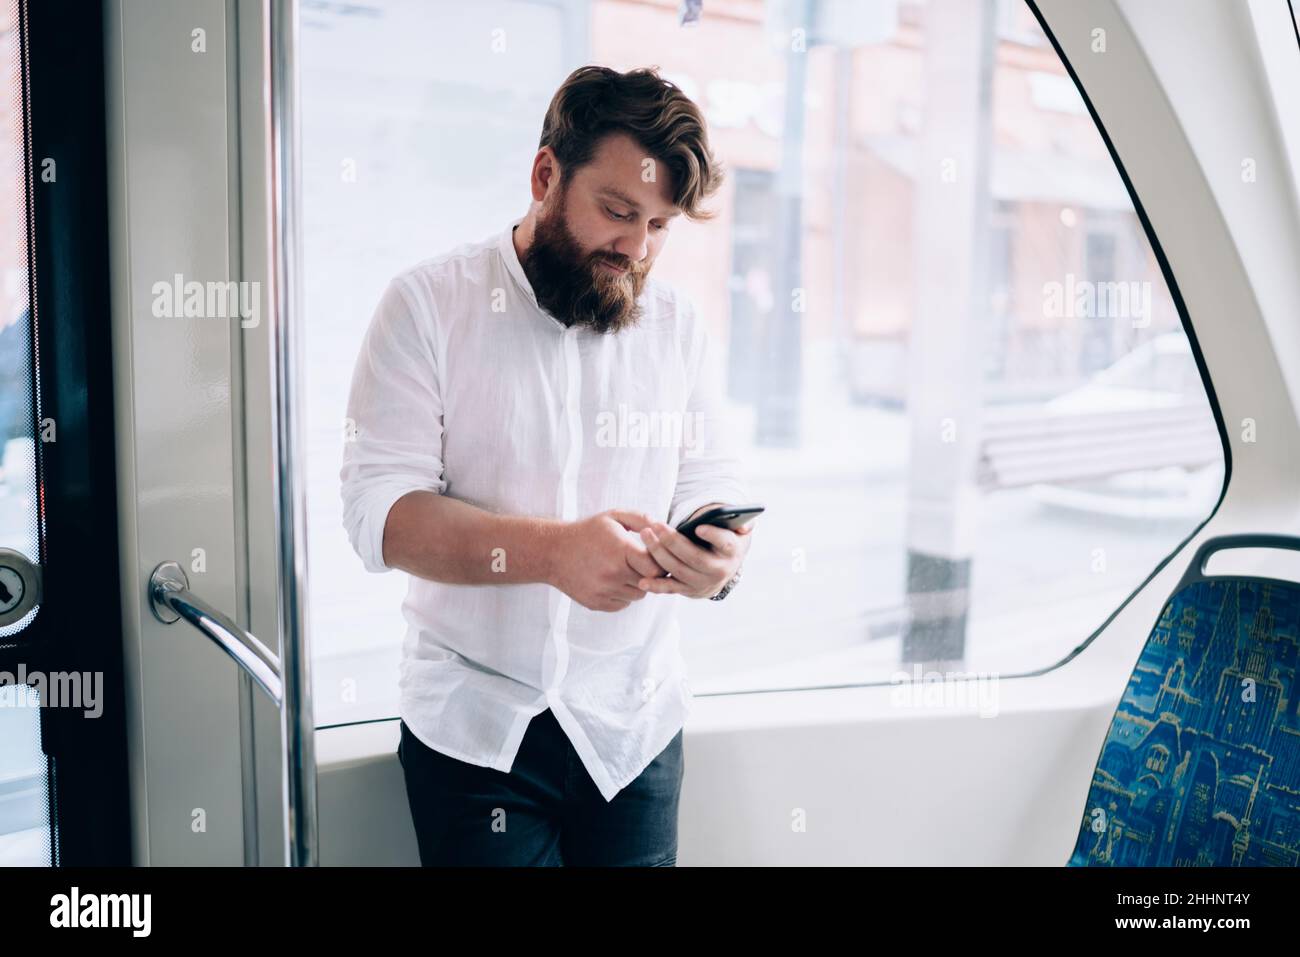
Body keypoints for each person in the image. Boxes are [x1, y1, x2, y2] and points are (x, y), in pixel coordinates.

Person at [340, 65, 753, 866]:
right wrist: (555, 554)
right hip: (474, 734)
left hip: (631, 732)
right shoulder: (426, 305)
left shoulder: (678, 325)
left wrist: (721, 562)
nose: (637, 250)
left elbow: (711, 477)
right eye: (619, 212)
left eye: (661, 226)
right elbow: (377, 515)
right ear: (544, 176)